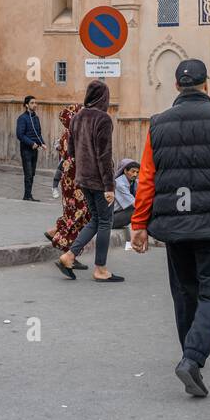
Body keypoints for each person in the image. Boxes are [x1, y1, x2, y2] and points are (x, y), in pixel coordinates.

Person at [129, 59, 210, 398]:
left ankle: (191, 351)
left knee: (185, 292)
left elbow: (146, 179)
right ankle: (192, 357)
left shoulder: (158, 125)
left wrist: (138, 225)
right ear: (206, 85)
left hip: (174, 226)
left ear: (176, 86)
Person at [55, 80, 121, 282]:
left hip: (82, 178)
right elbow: (104, 155)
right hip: (99, 180)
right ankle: (100, 269)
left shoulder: (77, 117)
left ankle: (69, 255)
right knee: (105, 223)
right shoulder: (103, 119)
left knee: (95, 219)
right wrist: (109, 186)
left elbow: (72, 151)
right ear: (104, 98)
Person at [44, 104, 90, 255]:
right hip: (76, 180)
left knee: (73, 213)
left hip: (70, 179)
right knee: (79, 215)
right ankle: (64, 246)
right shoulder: (76, 134)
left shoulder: (67, 133)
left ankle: (55, 232)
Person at [16, 95, 46, 201]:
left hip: (35, 149)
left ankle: (28, 195)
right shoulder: (22, 118)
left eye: (35, 103)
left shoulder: (36, 118)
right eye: (32, 103)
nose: (35, 105)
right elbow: (20, 135)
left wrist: (42, 143)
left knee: (32, 173)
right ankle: (27, 195)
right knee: (28, 173)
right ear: (26, 105)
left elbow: (38, 133)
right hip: (26, 150)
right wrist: (31, 143)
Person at [111, 159, 139, 230]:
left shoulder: (133, 183)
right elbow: (135, 204)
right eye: (133, 171)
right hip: (110, 219)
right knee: (137, 211)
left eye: (137, 172)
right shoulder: (120, 184)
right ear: (125, 171)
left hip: (118, 214)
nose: (135, 174)